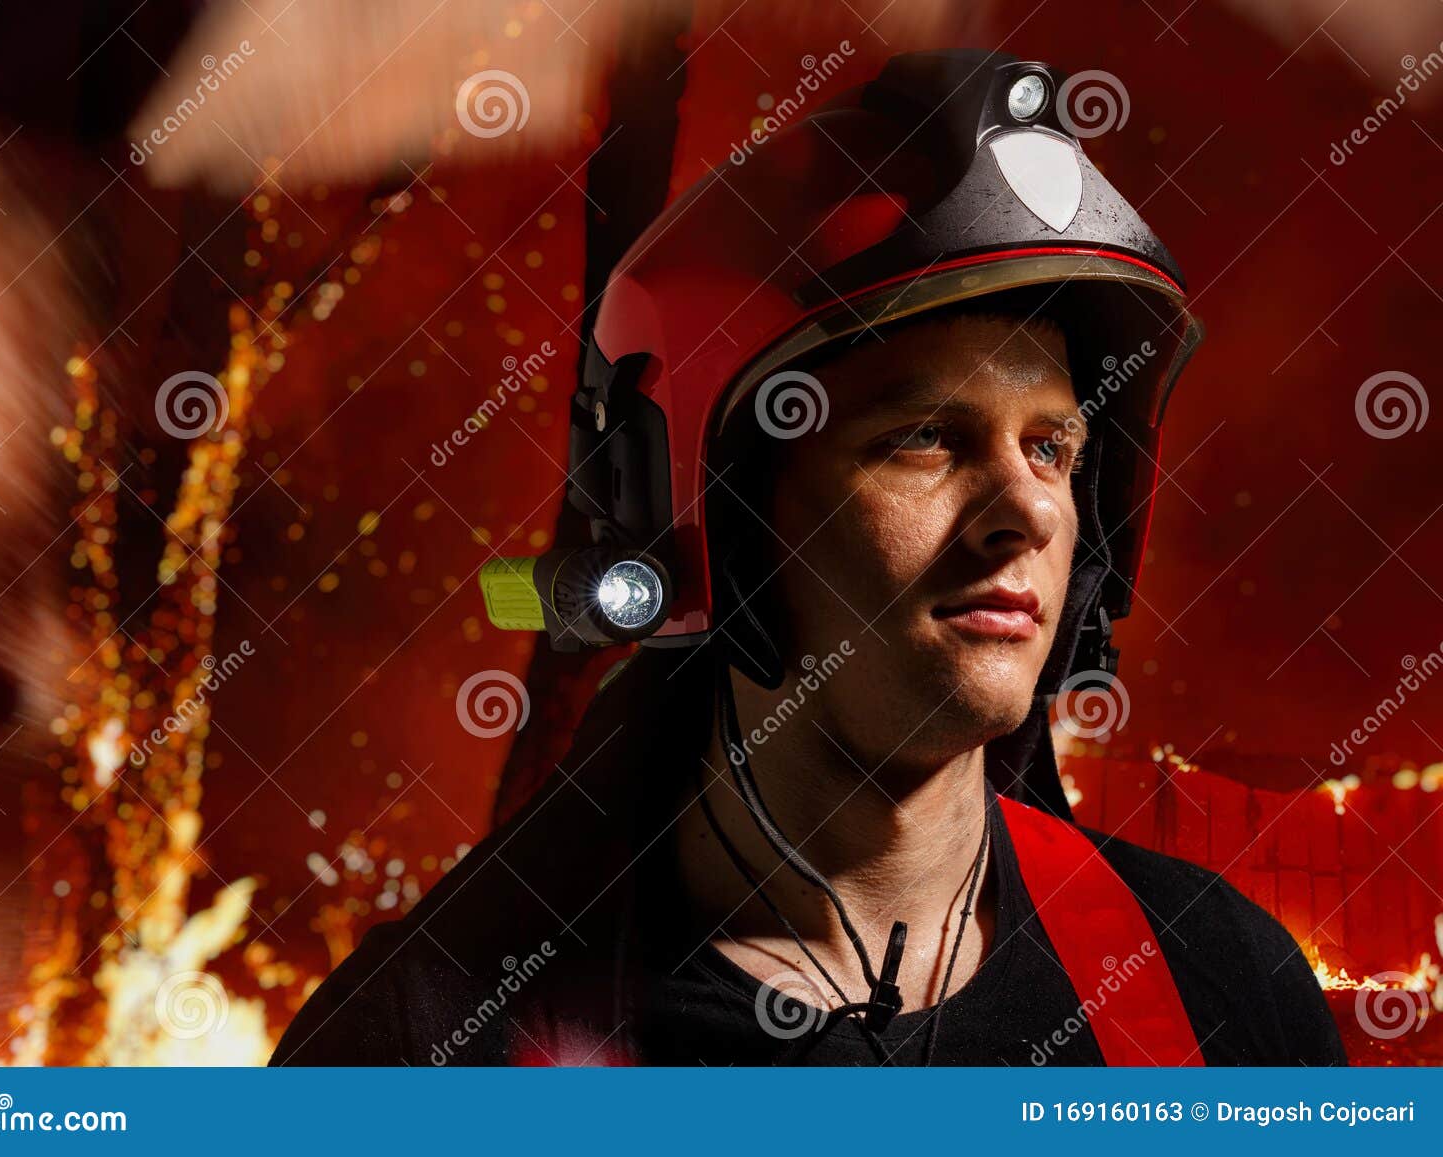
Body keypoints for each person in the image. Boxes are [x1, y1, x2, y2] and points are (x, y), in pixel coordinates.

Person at [272, 49, 1345, 1067]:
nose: (1025, 510)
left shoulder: (1217, 987)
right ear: (716, 515)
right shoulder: (420, 1051)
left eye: (1052, 446)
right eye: (923, 436)